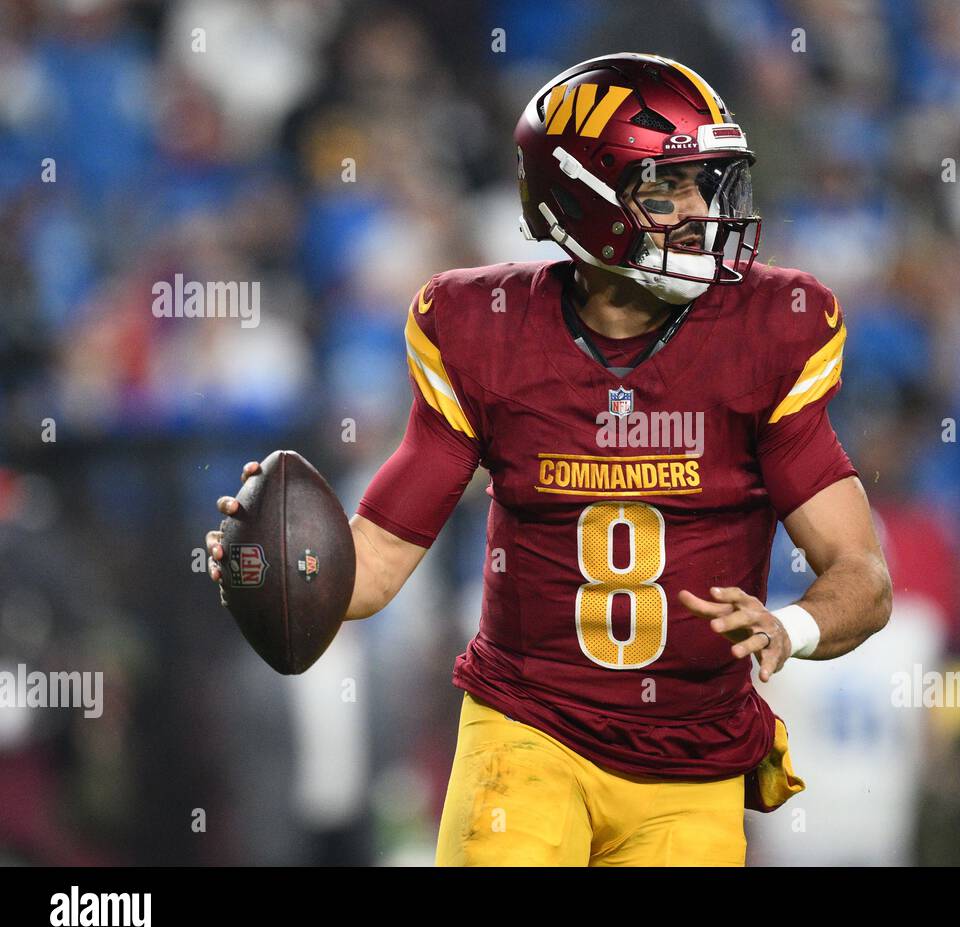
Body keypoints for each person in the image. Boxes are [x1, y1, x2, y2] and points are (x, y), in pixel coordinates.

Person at [204, 52, 892, 866]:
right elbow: (382, 558)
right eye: (669, 189)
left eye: (706, 185)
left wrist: (793, 623)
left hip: (691, 758)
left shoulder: (766, 331)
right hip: (530, 730)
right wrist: (283, 564)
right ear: (587, 200)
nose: (704, 212)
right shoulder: (486, 329)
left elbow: (863, 574)